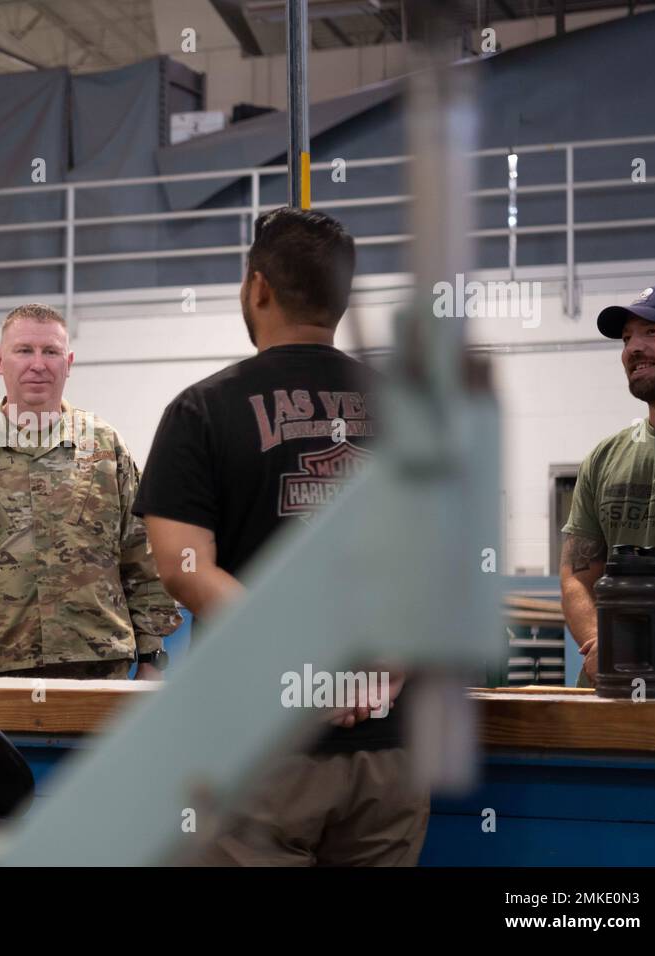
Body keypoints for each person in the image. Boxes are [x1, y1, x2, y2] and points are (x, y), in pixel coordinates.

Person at [134, 208, 425, 865]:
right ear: (342, 298)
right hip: (390, 749)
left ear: (257, 287)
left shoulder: (201, 410)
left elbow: (183, 566)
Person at [0, 303, 180, 680]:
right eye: (24, 350)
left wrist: (153, 657)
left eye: (50, 352)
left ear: (68, 362)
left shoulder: (104, 446)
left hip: (98, 661)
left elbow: (142, 554)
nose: (38, 364)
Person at [562, 285, 655, 687]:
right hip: (607, 697)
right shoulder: (604, 457)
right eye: (626, 338)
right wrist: (602, 647)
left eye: (652, 332)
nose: (633, 347)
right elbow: (577, 575)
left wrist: (630, 644)